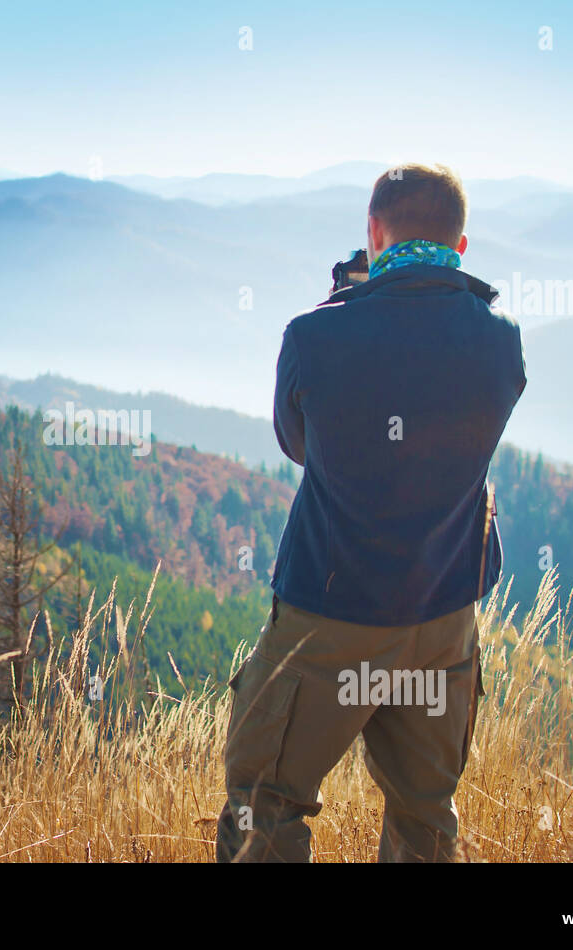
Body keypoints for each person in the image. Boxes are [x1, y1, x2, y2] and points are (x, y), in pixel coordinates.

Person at [216, 163, 526, 862]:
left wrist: (344, 299)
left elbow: (301, 445)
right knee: (425, 811)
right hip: (445, 613)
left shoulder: (314, 335)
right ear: (461, 245)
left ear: (373, 231)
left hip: (332, 611)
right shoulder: (502, 338)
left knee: (265, 799)